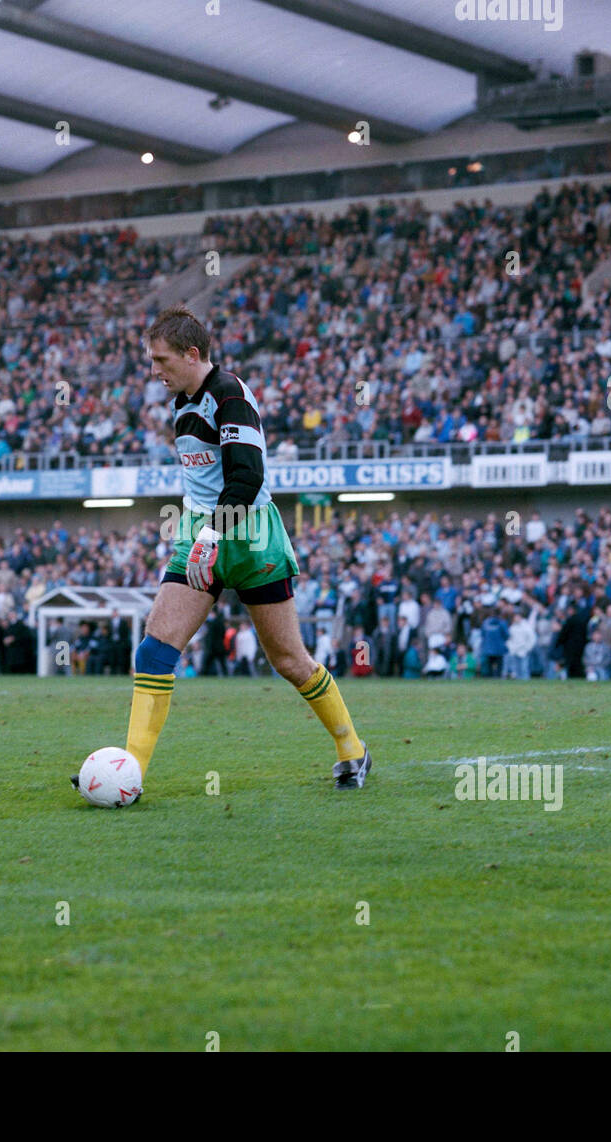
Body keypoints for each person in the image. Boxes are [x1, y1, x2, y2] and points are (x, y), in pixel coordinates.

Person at [73, 306, 371, 798]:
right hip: (200, 530)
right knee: (155, 648)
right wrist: (200, 532)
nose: (154, 371)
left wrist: (213, 536)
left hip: (250, 534)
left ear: (193, 354)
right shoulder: (182, 399)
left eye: (161, 360)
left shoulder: (230, 395)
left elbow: (247, 477)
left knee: (290, 660)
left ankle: (351, 748)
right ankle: (130, 772)